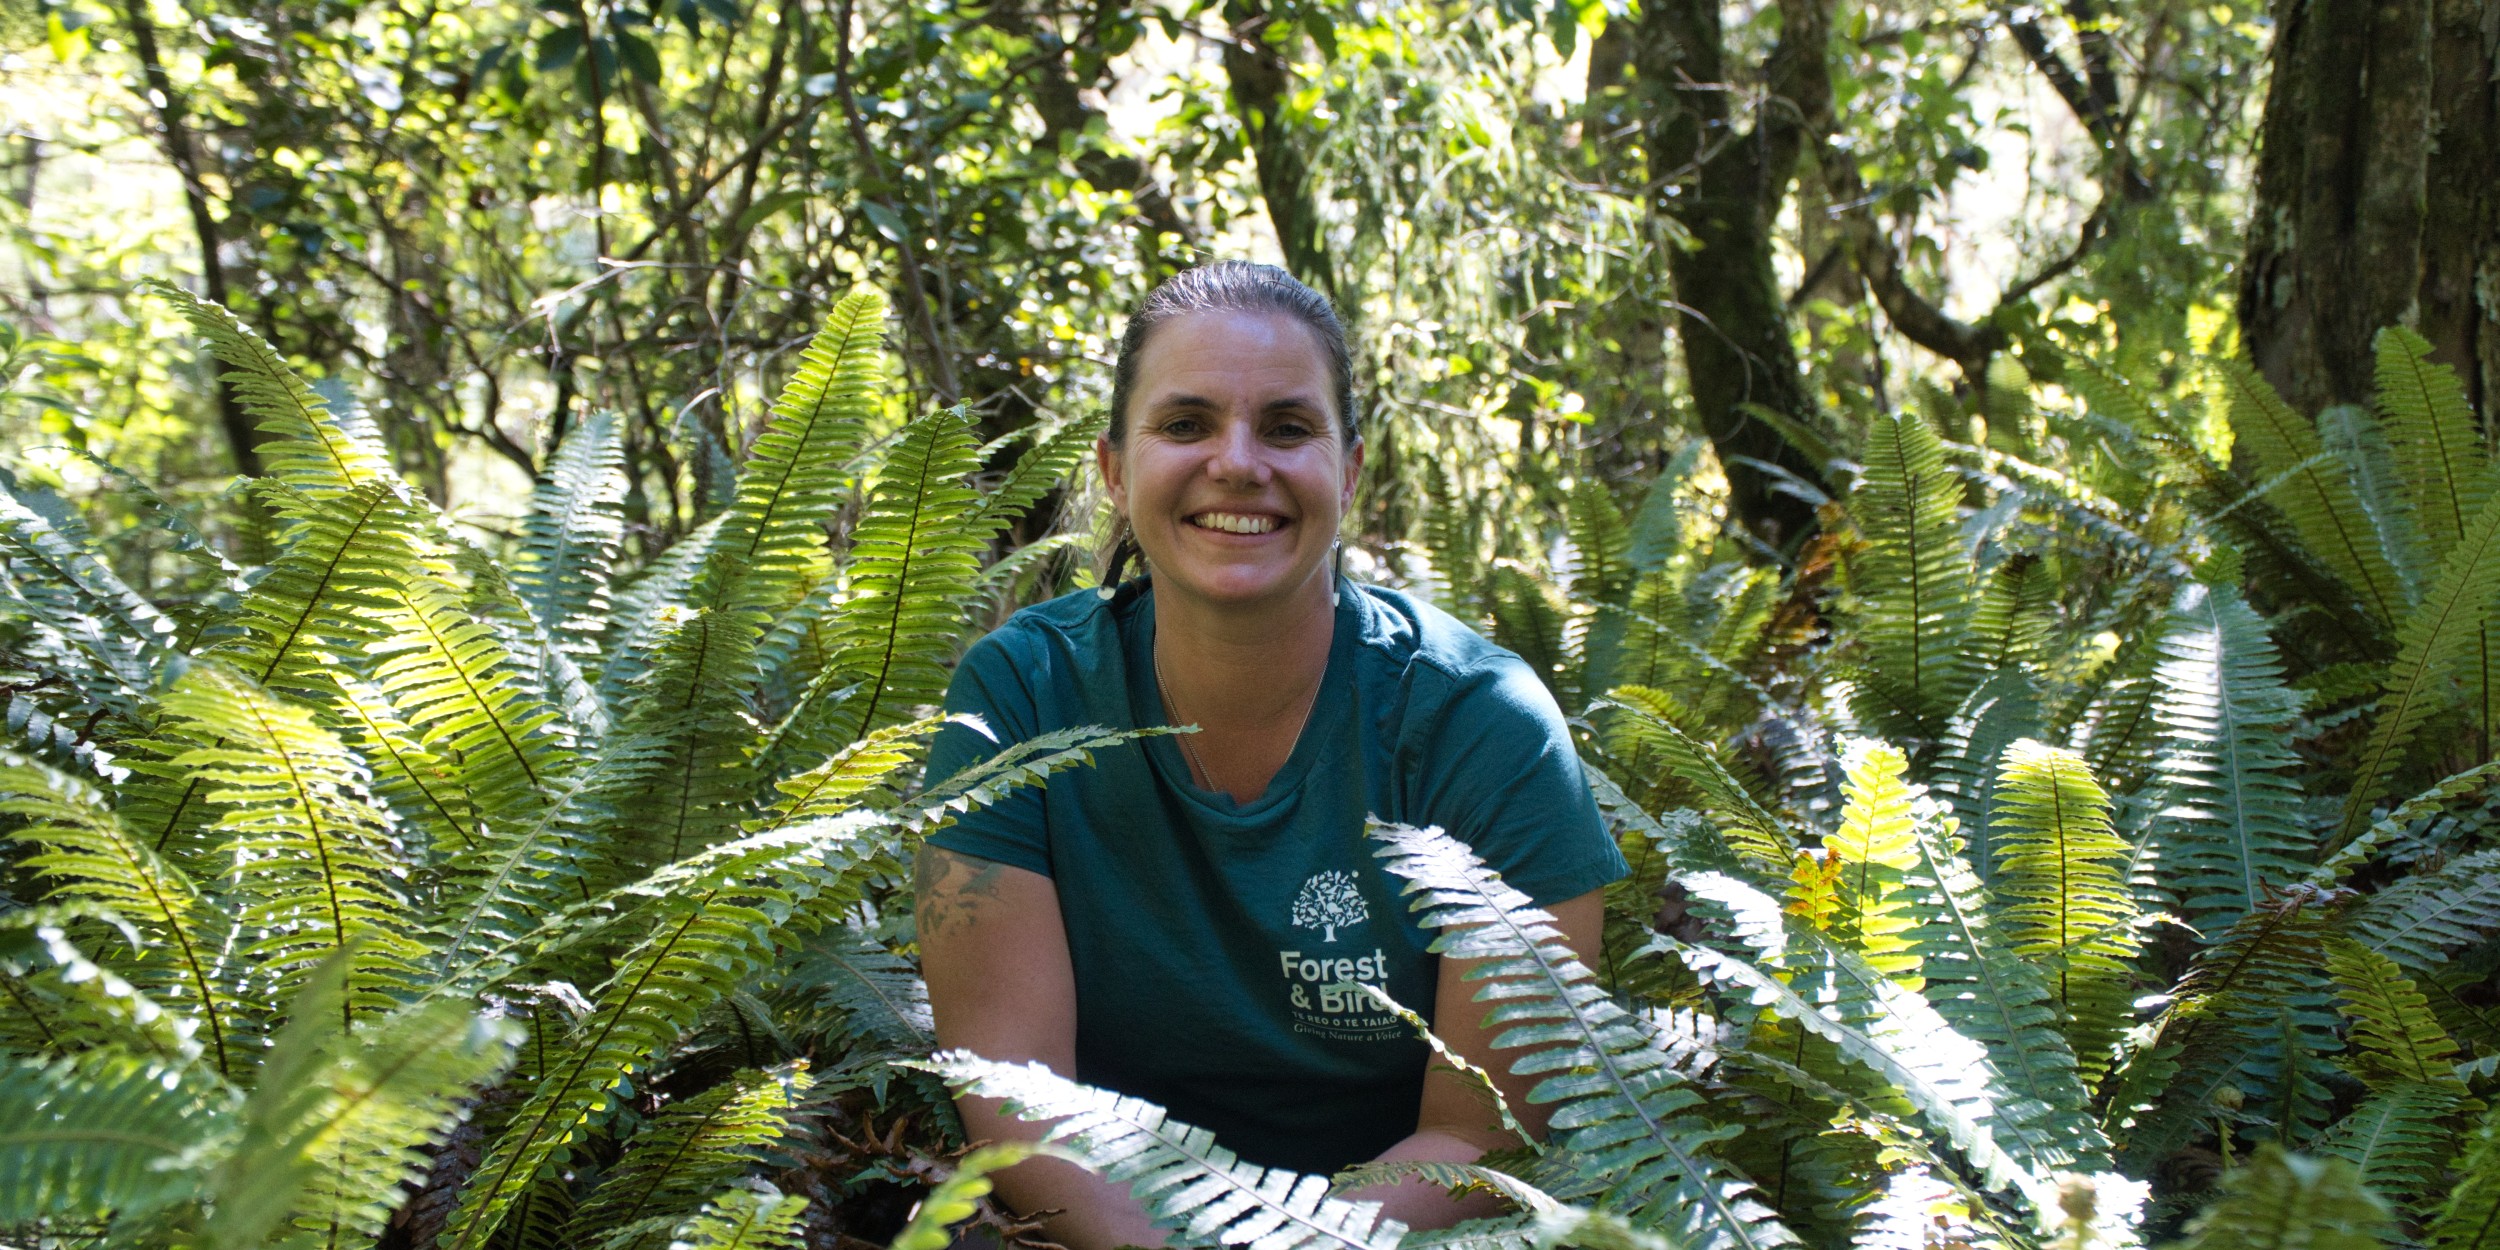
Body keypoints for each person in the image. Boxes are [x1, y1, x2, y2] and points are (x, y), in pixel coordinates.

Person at [915, 261, 1628, 1249]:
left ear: (1350, 468)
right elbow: (1017, 1100)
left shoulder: (1483, 724)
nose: (1237, 462)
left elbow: (1480, 1134)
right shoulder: (1017, 698)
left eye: (1287, 427)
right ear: (1113, 470)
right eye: (1185, 423)